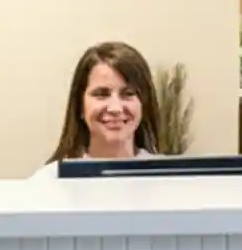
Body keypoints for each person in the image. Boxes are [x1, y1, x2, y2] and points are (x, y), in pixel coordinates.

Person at [30, 41, 162, 180]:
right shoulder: (47, 182)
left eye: (128, 94)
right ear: (80, 105)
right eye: (101, 94)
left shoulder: (168, 179)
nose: (115, 108)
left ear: (144, 104)